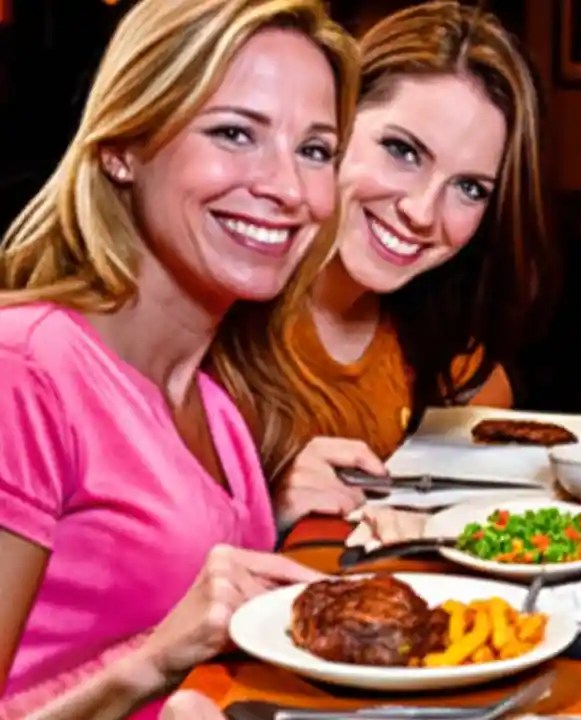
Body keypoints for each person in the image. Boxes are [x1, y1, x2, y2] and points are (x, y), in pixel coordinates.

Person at [0, 0, 358, 717]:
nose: (288, 190)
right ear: (122, 148)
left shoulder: (220, 405)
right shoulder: (24, 371)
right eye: (235, 133)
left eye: (314, 150)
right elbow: (166, 643)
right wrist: (153, 664)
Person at [213, 0, 555, 531]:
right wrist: (269, 508)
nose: (422, 213)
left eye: (469, 188)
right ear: (336, 123)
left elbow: (489, 389)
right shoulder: (225, 301)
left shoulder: (420, 324)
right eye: (402, 150)